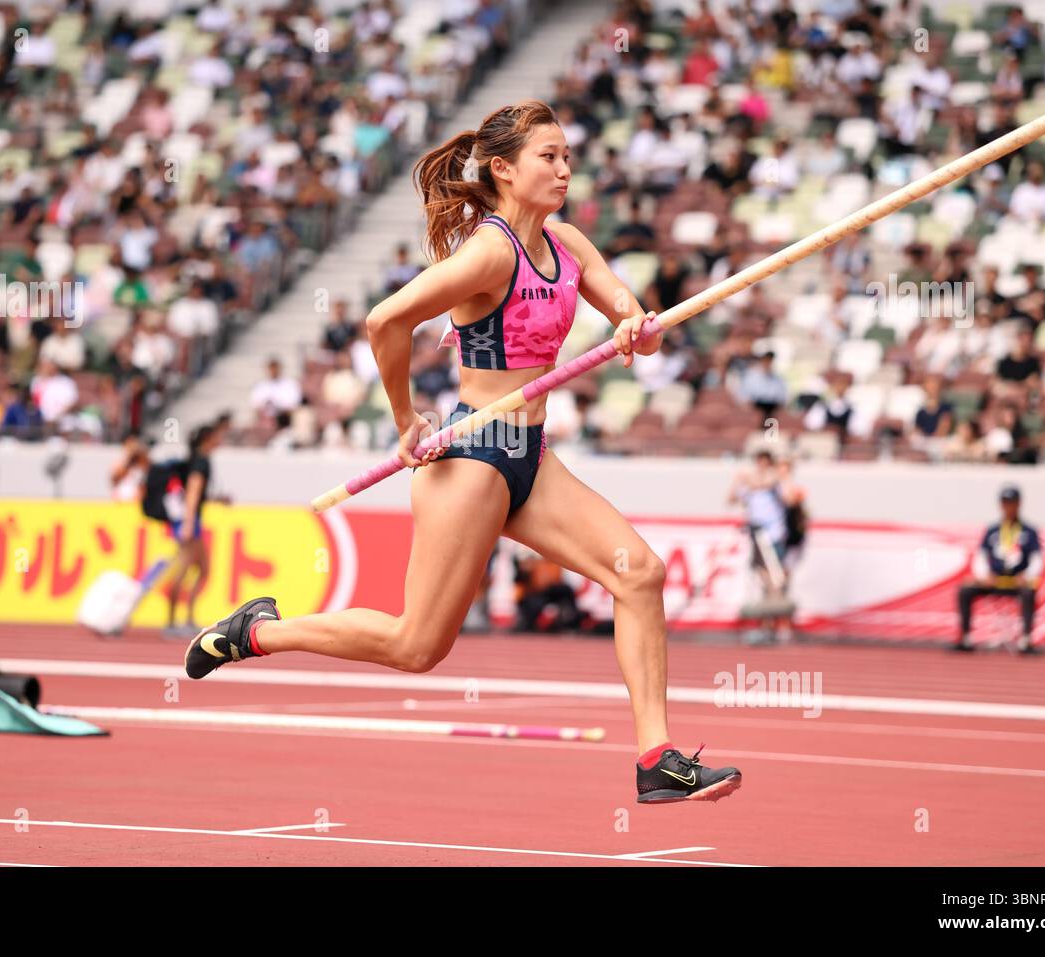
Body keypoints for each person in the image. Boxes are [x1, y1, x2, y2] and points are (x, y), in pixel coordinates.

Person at [182, 100, 742, 803]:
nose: (565, 168)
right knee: (417, 646)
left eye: (568, 155)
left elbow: (636, 320)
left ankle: (656, 758)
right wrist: (404, 417)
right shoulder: (489, 250)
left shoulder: (569, 244)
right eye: (549, 156)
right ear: (503, 169)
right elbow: (386, 320)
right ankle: (260, 630)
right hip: (472, 454)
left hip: (530, 453)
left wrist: (637, 330)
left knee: (639, 573)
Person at [728, 449, 805, 643]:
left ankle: (781, 626)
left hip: (773, 537)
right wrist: (738, 480)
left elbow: (791, 499)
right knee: (764, 581)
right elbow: (731, 499)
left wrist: (783, 478)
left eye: (765, 464)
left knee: (777, 579)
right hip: (756, 536)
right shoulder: (751, 486)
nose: (761, 468)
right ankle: (767, 625)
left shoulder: (776, 485)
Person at [956, 485, 1042, 653]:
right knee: (965, 590)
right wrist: (984, 576)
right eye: (1005, 503)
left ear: (1019, 504)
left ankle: (1026, 640)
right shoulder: (993, 530)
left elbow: (1037, 559)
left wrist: (1027, 575)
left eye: (1012, 503)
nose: (1008, 507)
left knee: (1029, 593)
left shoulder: (1029, 531)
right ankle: (965, 638)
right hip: (994, 580)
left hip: (1017, 582)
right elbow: (981, 556)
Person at [163, 419, 226, 638]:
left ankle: (185, 619)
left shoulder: (197, 459)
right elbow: (193, 491)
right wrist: (189, 523)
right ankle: (172, 622)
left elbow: (196, 493)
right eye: (216, 437)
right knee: (185, 569)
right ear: (208, 439)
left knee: (200, 568)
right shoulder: (202, 461)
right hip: (190, 521)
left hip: (189, 519)